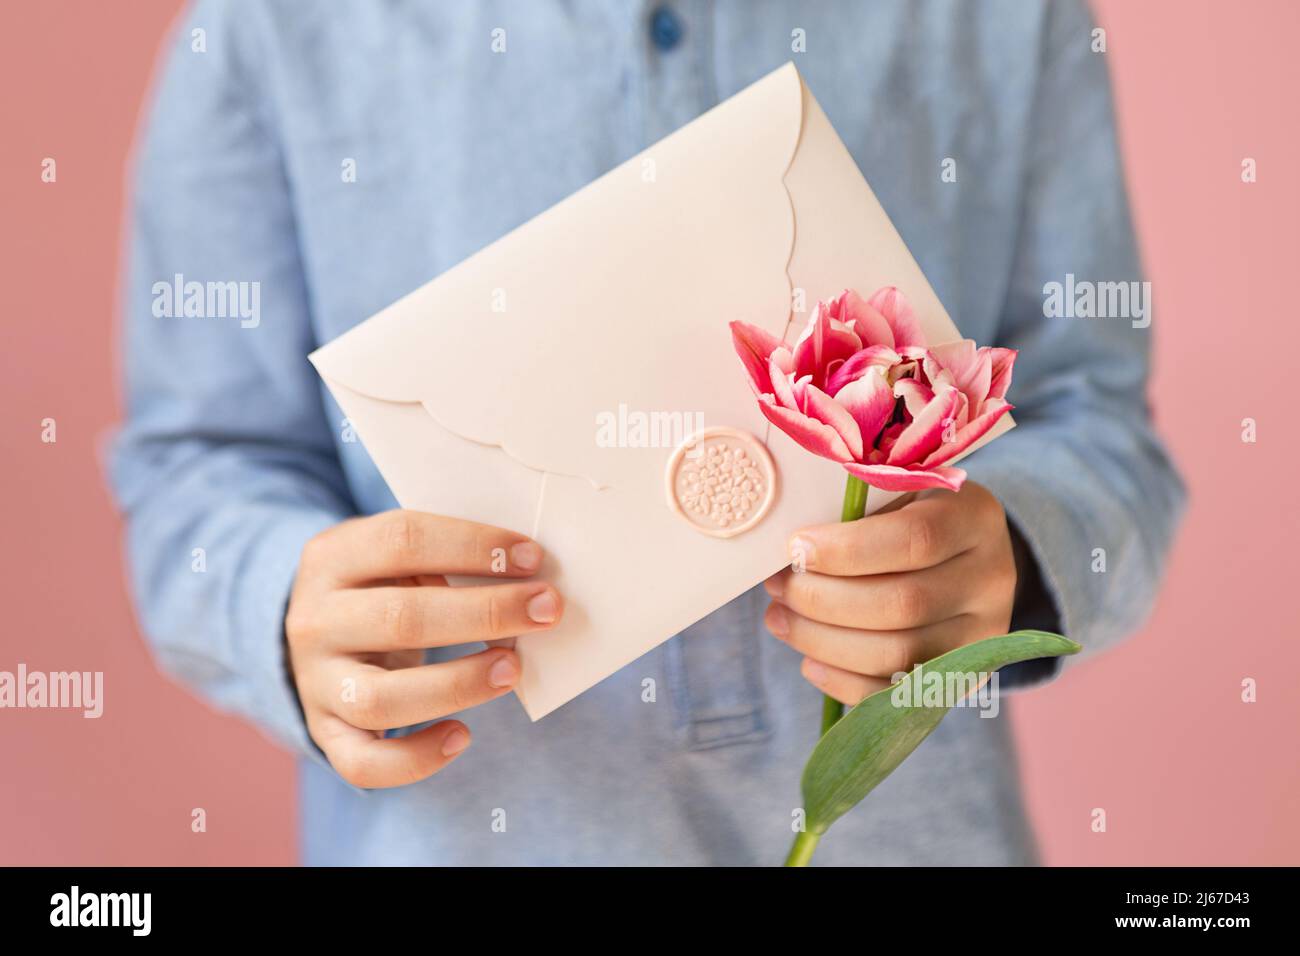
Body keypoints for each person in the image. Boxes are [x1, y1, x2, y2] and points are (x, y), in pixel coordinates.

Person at [110, 0, 1184, 865]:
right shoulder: (264, 31)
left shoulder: (1008, 17)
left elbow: (1098, 423)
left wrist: (1015, 552)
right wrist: (281, 602)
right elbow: (195, 463)